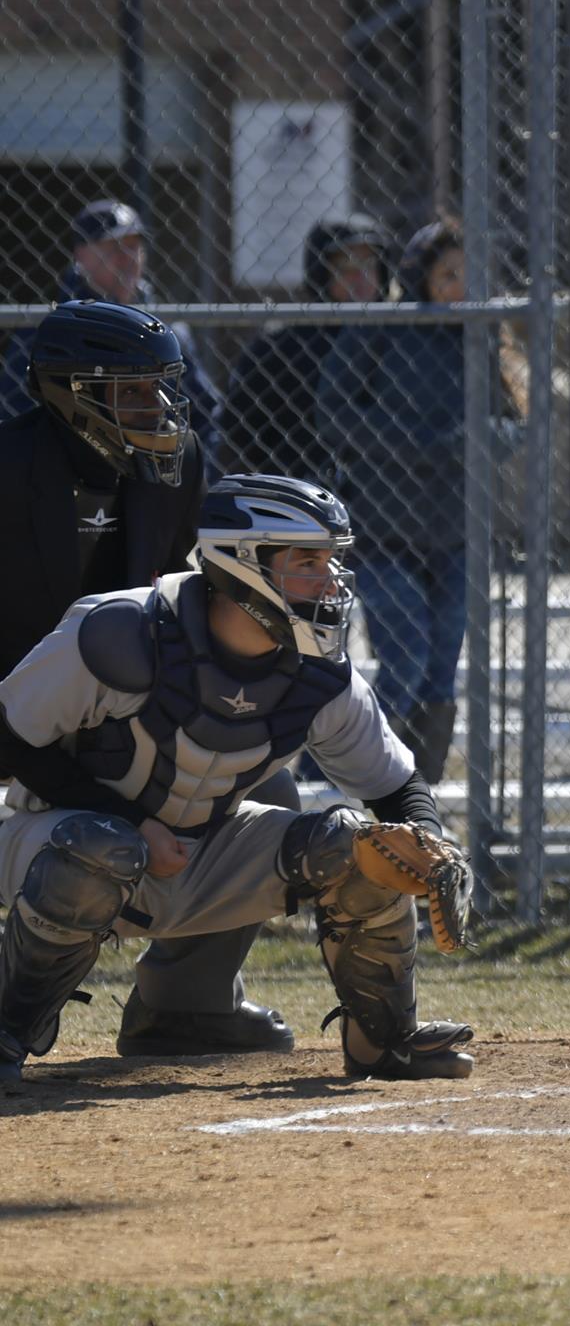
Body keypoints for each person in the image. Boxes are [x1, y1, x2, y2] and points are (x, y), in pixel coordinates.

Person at [0, 474, 474, 1083]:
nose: (331, 581)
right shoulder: (121, 631)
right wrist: (131, 822)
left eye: (331, 561)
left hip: (193, 858)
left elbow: (393, 784)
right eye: (309, 562)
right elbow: (8, 736)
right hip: (50, 846)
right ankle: (7, 1030)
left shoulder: (318, 668)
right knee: (102, 847)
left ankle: (385, 1040)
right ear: (243, 563)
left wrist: (431, 844)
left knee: (358, 847)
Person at [0, 298, 304, 1060]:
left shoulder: (177, 466)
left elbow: (183, 614)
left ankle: (184, 1005)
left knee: (270, 790)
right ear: (72, 395)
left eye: (161, 388)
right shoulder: (6, 472)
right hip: (12, 716)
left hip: (112, 718)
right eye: (132, 392)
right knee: (89, 838)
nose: (158, 409)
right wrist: (118, 811)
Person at [316, 217, 527, 781]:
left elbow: (516, 422)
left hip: (457, 530)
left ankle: (418, 793)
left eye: (471, 275)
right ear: (420, 278)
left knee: (439, 672)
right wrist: (416, 442)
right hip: (385, 528)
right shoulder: (383, 329)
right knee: (405, 656)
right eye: (448, 274)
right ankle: (359, 773)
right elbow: (333, 414)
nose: (461, 287)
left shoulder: (482, 336)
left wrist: (480, 438)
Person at [0, 201, 223, 466]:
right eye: (114, 247)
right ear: (81, 254)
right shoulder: (52, 328)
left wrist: (193, 475)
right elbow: (14, 410)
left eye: (133, 246)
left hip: (153, 470)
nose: (127, 258)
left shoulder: (163, 327)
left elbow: (205, 412)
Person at [222, 214, 392, 483]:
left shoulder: (398, 339)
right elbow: (240, 429)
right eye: (346, 266)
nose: (360, 277)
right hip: (299, 488)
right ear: (321, 272)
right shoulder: (282, 348)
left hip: (384, 485)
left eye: (369, 264)